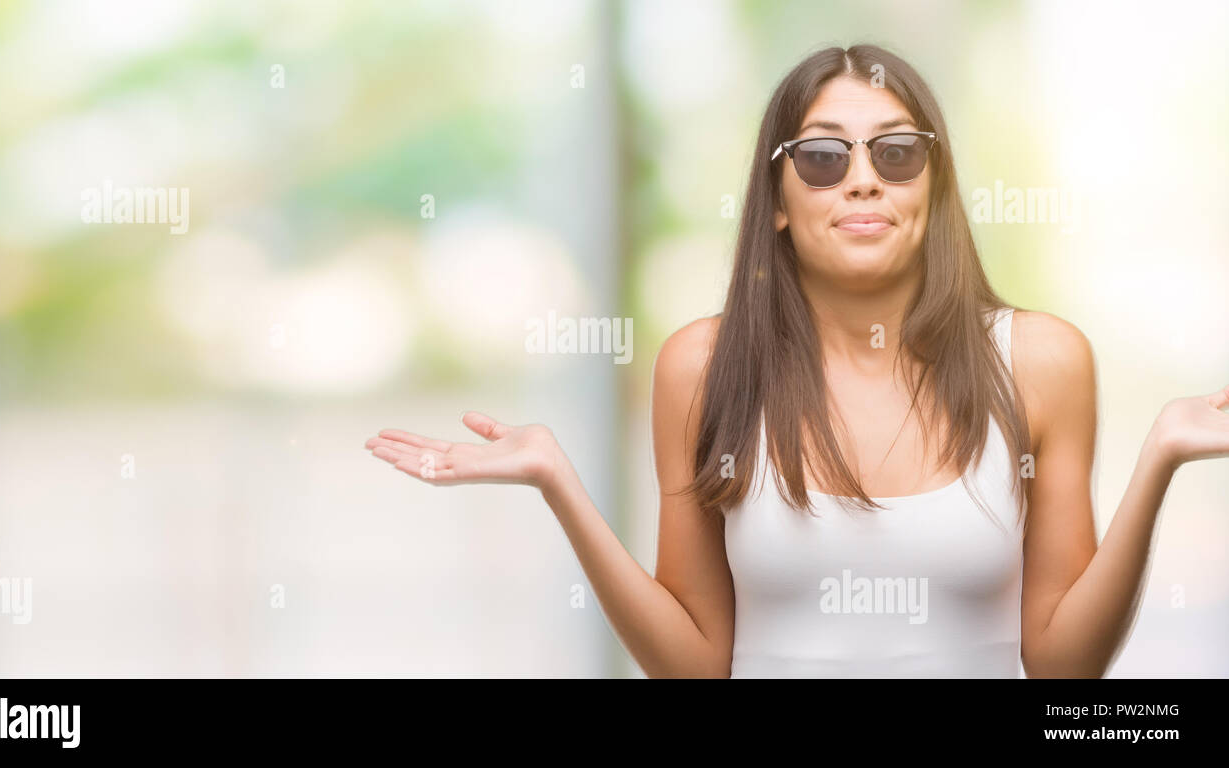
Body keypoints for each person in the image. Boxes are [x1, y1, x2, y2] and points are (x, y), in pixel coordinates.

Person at [365, 44, 1229, 678]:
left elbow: (1064, 674)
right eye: (822, 157)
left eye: (896, 153)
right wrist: (559, 481)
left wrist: (1158, 459)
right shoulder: (701, 368)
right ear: (777, 200)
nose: (863, 180)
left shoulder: (1041, 360)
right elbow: (696, 665)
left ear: (933, 186)